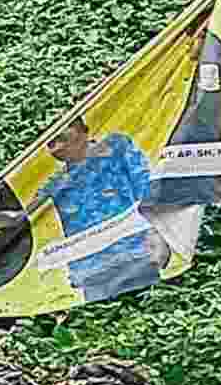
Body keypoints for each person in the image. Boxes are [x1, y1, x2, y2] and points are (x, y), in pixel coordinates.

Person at [31, 114, 163, 303]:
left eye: (62, 136)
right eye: (50, 142)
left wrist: (157, 233)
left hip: (135, 254)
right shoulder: (57, 182)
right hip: (92, 271)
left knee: (148, 306)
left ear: (83, 132)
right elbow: (29, 213)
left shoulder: (117, 147)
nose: (57, 146)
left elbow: (146, 187)